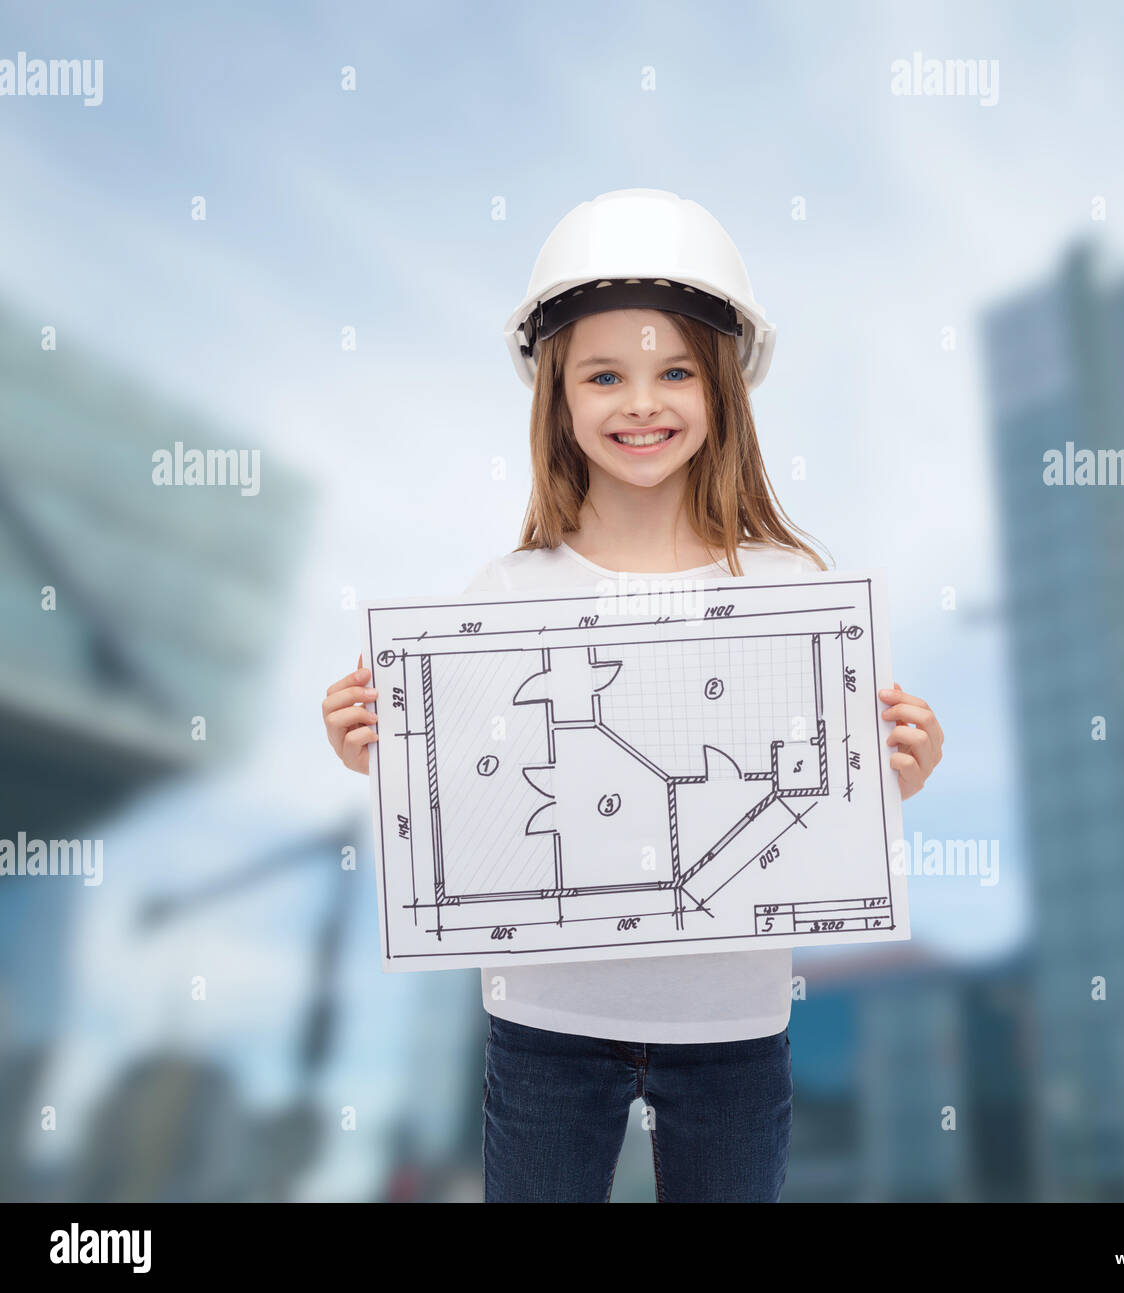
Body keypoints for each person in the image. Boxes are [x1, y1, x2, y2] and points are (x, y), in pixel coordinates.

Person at [322, 189, 944, 1202]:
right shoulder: (502, 595)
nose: (640, 403)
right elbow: (471, 801)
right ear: (557, 397)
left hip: (732, 1029)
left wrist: (894, 775)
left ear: (722, 390)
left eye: (674, 373)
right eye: (604, 374)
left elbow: (816, 801)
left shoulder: (787, 587)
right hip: (545, 1031)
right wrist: (378, 753)